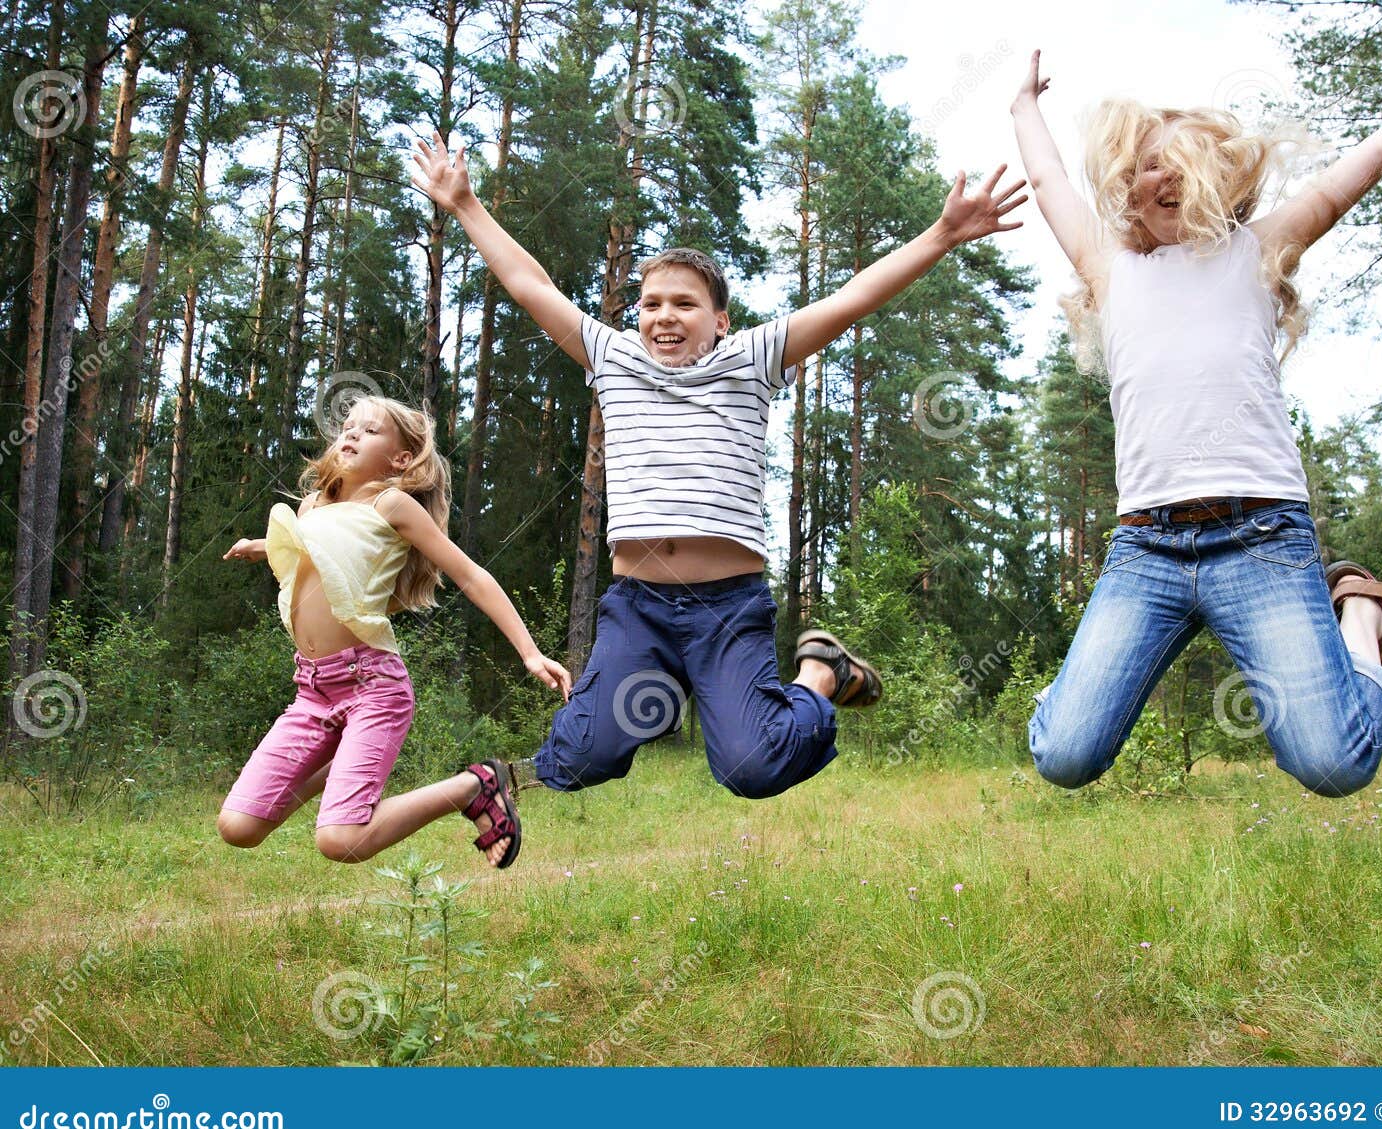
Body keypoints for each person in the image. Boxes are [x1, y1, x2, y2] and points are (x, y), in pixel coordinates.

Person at [409, 131, 1025, 798]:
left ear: (722, 319)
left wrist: (940, 234)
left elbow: (851, 299)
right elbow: (531, 284)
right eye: (650, 304)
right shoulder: (612, 358)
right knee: (579, 754)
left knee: (750, 768)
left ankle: (821, 674)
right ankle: (514, 786)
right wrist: (466, 203)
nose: (664, 317)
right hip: (638, 607)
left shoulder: (752, 358)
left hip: (726, 607)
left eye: (684, 303)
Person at [1011, 51, 1382, 796]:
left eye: (1185, 168)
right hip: (1148, 549)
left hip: (1261, 537)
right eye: (1149, 167)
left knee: (1333, 762)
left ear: (1218, 182)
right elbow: (1050, 182)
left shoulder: (1256, 252)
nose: (1166, 180)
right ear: (1128, 185)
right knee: (1062, 755)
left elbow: (1360, 168)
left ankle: (1360, 619)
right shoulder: (1110, 269)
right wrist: (1023, 105)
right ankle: (1074, 704)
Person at [217, 396, 571, 868]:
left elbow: (470, 575)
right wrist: (262, 546)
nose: (351, 434)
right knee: (238, 827)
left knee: (340, 841)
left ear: (401, 459)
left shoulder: (392, 504)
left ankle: (475, 786)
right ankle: (339, 765)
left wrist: (530, 653)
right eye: (348, 427)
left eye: (369, 431)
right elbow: (323, 546)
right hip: (312, 690)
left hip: (372, 686)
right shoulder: (312, 505)